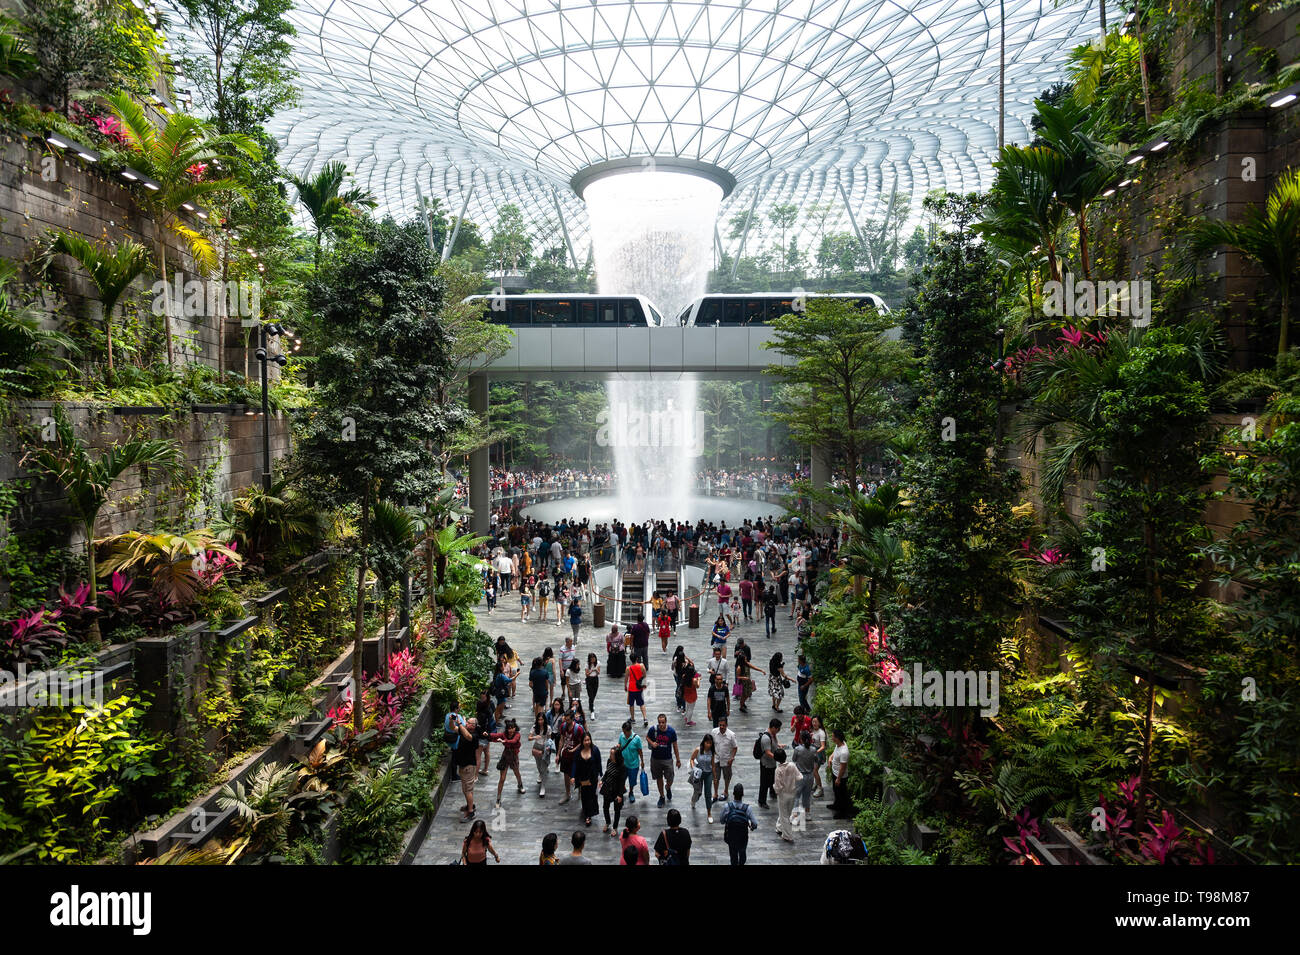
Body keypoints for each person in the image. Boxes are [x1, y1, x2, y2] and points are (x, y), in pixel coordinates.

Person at [488, 718, 525, 807]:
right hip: (505, 756)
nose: (511, 730)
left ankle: (520, 784)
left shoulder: (517, 735)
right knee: (502, 778)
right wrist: (487, 734)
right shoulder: (504, 734)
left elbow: (514, 741)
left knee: (517, 773)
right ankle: (498, 798)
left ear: (515, 728)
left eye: (512, 728)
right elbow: (495, 736)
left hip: (513, 757)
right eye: (509, 728)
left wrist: (505, 741)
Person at [647, 712, 680, 807]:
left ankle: (668, 787)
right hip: (656, 759)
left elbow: (675, 745)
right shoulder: (653, 730)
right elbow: (647, 737)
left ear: (666, 722)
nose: (661, 724)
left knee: (670, 778)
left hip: (667, 759)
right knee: (659, 778)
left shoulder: (671, 732)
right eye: (659, 722)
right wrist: (652, 743)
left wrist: (678, 759)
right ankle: (661, 796)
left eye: (663, 722)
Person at [720, 784, 758, 866]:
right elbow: (755, 824)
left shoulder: (727, 807)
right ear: (743, 794)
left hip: (731, 836)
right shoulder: (747, 808)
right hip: (743, 837)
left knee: (733, 856)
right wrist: (752, 827)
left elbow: (722, 821)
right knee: (742, 853)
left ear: (733, 793)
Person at [571, 731, 602, 826]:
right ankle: (586, 811)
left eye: (588, 740)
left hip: (592, 776)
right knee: (584, 795)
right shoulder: (578, 751)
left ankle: (588, 815)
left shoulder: (595, 750)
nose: (587, 742)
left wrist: (600, 777)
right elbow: (575, 763)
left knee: (591, 795)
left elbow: (598, 763)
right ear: (582, 741)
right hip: (582, 776)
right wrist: (572, 776)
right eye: (585, 740)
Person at [453, 716, 481, 821]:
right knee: (465, 789)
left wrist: (461, 724)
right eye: (467, 722)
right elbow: (453, 728)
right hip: (463, 764)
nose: (467, 724)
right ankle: (470, 805)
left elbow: (468, 736)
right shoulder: (465, 730)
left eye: (469, 722)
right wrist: (452, 721)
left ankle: (470, 812)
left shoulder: (475, 735)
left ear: (473, 726)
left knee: (468, 789)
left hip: (469, 766)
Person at [688, 733, 717, 823]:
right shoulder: (698, 750)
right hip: (699, 774)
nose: (708, 745)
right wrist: (694, 768)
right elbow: (692, 759)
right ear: (704, 742)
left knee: (708, 794)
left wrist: (715, 777)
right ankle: (693, 800)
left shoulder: (712, 752)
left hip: (708, 774)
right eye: (707, 742)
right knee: (698, 792)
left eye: (710, 743)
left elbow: (712, 765)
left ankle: (709, 813)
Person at [773, 749, 801, 842]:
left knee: (784, 815)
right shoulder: (792, 765)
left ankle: (788, 835)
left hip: (783, 795)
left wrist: (775, 789)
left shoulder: (778, 770)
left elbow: (778, 786)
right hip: (792, 793)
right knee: (786, 813)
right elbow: (799, 777)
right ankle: (779, 827)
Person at [557, 712, 584, 805]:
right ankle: (568, 793)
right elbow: (561, 740)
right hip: (566, 754)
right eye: (566, 719)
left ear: (573, 719)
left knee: (578, 775)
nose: (566, 721)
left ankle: (581, 793)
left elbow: (582, 743)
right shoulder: (563, 726)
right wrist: (558, 754)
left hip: (576, 756)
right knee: (566, 774)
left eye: (568, 719)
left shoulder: (578, 729)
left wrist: (574, 750)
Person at [616, 720, 645, 805]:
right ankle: (622, 789)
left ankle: (631, 792)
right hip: (623, 764)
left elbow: (640, 751)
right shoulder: (621, 735)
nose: (624, 733)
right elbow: (619, 744)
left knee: (632, 781)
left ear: (629, 731)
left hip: (633, 764)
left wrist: (642, 761)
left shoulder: (637, 739)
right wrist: (618, 746)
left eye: (625, 732)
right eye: (623, 731)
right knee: (621, 779)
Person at [711, 715, 738, 802]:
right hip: (716, 759)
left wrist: (732, 758)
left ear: (726, 725)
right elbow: (711, 743)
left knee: (727, 777)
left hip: (726, 760)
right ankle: (715, 794)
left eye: (723, 725)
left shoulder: (731, 735)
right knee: (715, 777)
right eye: (720, 725)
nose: (721, 727)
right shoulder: (714, 732)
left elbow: (735, 747)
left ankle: (725, 791)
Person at [757, 718, 783, 808]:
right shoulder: (766, 738)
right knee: (764, 783)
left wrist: (779, 746)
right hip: (766, 764)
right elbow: (768, 752)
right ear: (773, 727)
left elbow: (774, 744)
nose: (778, 731)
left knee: (773, 779)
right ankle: (762, 801)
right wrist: (778, 758)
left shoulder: (773, 734)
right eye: (778, 729)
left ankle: (772, 793)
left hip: (772, 763)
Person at [600, 746, 627, 835]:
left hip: (616, 791)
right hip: (607, 788)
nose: (610, 755)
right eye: (610, 753)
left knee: (617, 810)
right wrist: (602, 780)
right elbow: (607, 773)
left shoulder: (622, 767)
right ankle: (608, 822)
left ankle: (615, 827)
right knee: (605, 807)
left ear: (617, 755)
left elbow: (622, 782)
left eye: (612, 754)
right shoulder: (609, 761)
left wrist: (620, 795)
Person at [792, 730, 817, 822]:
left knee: (796, 795)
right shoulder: (813, 750)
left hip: (799, 775)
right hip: (810, 776)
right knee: (807, 795)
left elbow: (794, 759)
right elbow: (816, 760)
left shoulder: (797, 749)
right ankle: (807, 814)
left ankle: (795, 815)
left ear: (801, 740)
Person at [828, 728, 851, 818]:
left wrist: (838, 779)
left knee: (841, 795)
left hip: (840, 776)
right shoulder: (839, 744)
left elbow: (843, 767)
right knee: (836, 792)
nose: (832, 737)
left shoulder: (844, 752)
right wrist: (830, 758)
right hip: (835, 773)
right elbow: (834, 753)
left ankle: (842, 812)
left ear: (837, 738)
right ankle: (836, 805)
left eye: (833, 736)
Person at [528, 711, 552, 798]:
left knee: (543, 767)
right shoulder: (534, 727)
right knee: (539, 766)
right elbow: (529, 738)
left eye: (542, 719)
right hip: (537, 747)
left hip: (545, 747)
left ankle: (543, 787)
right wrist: (535, 737)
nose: (540, 721)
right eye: (539, 720)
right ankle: (542, 774)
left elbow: (550, 739)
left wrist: (549, 747)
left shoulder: (548, 728)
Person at [735, 648, 764, 715]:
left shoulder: (747, 663)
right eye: (745, 659)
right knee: (743, 695)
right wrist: (744, 677)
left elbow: (754, 667)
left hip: (748, 682)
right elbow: (738, 676)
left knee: (748, 693)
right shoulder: (739, 667)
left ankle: (743, 703)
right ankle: (741, 706)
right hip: (743, 682)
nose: (746, 659)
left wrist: (761, 670)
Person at [625, 653, 649, 727]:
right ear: (636, 659)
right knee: (641, 703)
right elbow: (644, 675)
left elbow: (626, 678)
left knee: (631, 704)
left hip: (632, 688)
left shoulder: (628, 668)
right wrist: (644, 684)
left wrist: (625, 685)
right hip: (639, 687)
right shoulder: (641, 666)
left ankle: (632, 719)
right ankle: (645, 718)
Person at [810, 716, 827, 798]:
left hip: (818, 753)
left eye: (816, 722)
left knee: (814, 770)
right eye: (813, 721)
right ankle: (816, 784)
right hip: (813, 751)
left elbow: (823, 746)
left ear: (819, 723)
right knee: (813, 769)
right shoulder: (812, 730)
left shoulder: (821, 733)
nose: (814, 723)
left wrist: (815, 752)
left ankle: (820, 788)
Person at [682, 656, 700, 726]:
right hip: (692, 695)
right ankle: (688, 721)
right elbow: (697, 686)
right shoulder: (694, 680)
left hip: (686, 694)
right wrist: (698, 679)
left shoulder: (684, 677)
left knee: (687, 707)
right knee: (691, 709)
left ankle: (687, 718)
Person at [584, 652, 600, 717]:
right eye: (592, 659)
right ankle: (592, 710)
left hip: (595, 679)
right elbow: (586, 674)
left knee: (594, 694)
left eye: (594, 658)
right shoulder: (587, 664)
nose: (593, 660)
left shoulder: (598, 663)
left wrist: (596, 670)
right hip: (589, 679)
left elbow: (598, 673)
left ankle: (591, 704)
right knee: (590, 695)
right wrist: (591, 670)